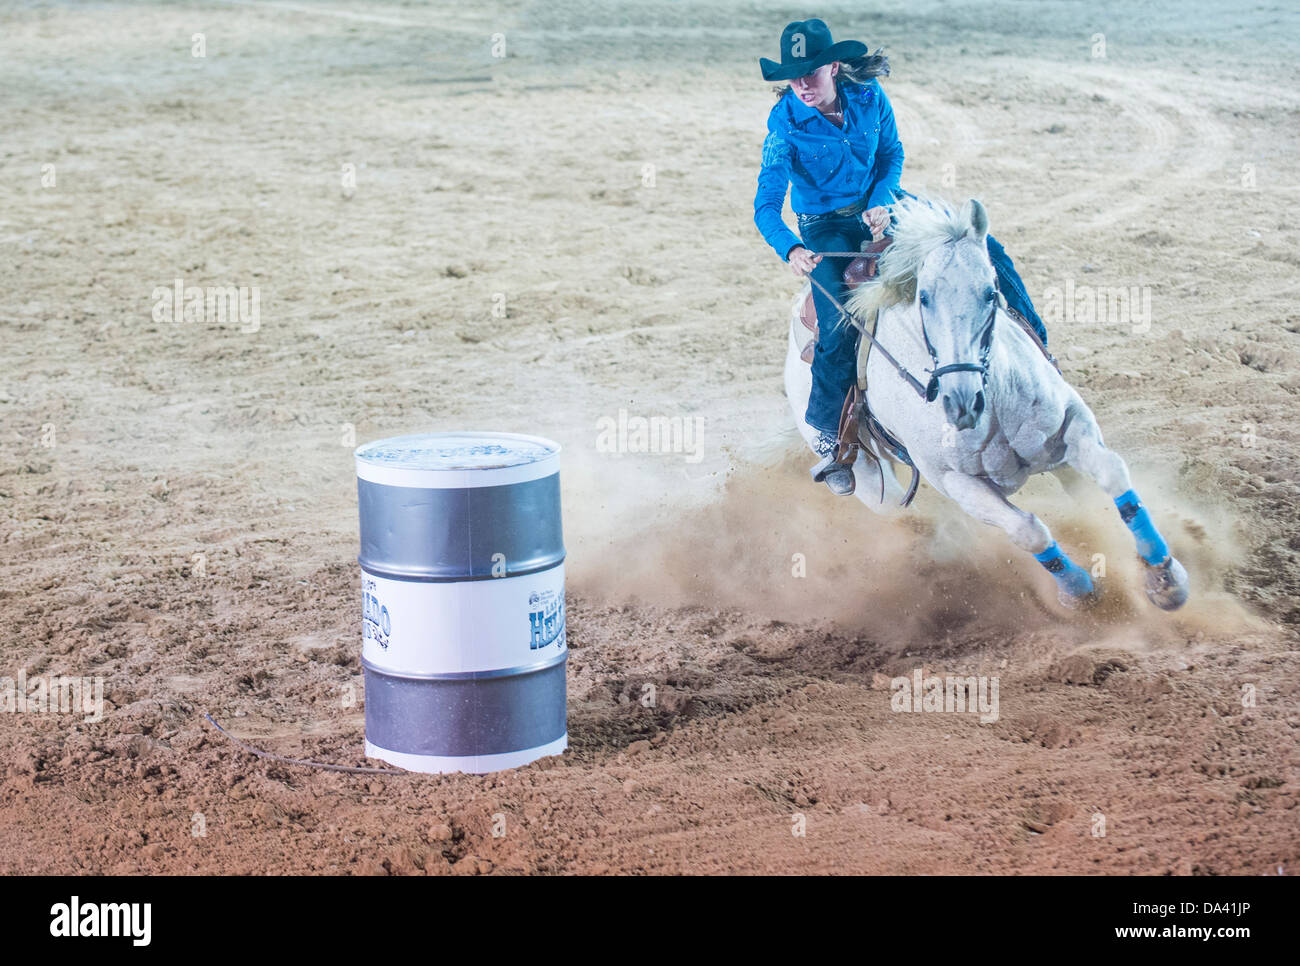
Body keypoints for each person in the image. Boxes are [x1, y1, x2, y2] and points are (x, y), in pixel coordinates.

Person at [755, 19, 1047, 495]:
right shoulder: (783, 124)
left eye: (812, 73)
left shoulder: (869, 96)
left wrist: (882, 200)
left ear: (834, 67)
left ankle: (1037, 345)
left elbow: (891, 153)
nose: (802, 85)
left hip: (885, 204)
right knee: (837, 321)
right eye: (794, 77)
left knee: (982, 248)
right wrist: (791, 247)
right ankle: (833, 437)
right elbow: (766, 205)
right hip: (825, 228)